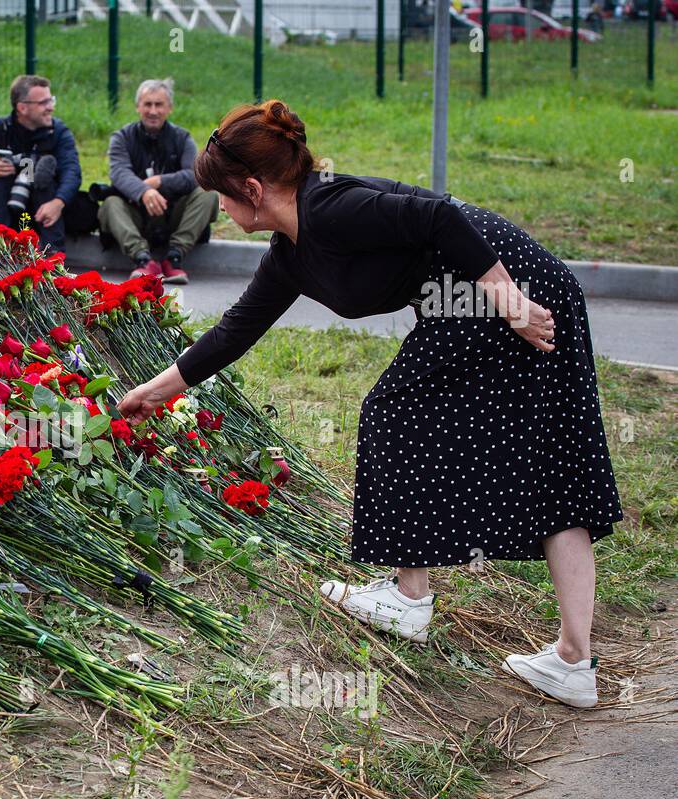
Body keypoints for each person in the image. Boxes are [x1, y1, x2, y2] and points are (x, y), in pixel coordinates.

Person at [118, 100, 623, 709]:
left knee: (395, 412)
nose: (218, 211)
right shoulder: (291, 251)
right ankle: (573, 660)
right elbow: (234, 331)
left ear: (252, 189)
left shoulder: (329, 208)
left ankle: (410, 597)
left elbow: (440, 217)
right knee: (541, 463)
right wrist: (153, 390)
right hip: (489, 295)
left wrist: (510, 302)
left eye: (222, 197)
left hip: (503, 289)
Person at [99, 78, 218, 284]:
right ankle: (143, 260)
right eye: (147, 104)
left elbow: (194, 174)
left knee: (208, 194)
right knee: (110, 204)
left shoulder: (183, 138)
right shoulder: (121, 138)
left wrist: (160, 182)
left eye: (159, 104)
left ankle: (174, 258)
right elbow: (118, 173)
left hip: (173, 215)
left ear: (169, 108)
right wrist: (144, 191)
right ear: (138, 107)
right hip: (136, 215)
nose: (153, 111)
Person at [0, 75, 81, 253]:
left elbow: (72, 173)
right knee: (2, 175)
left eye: (51, 100)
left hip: (42, 210)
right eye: (43, 103)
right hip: (3, 208)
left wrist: (58, 202)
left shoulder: (58, 132)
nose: (51, 107)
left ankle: (53, 257)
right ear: (22, 108)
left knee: (43, 173)